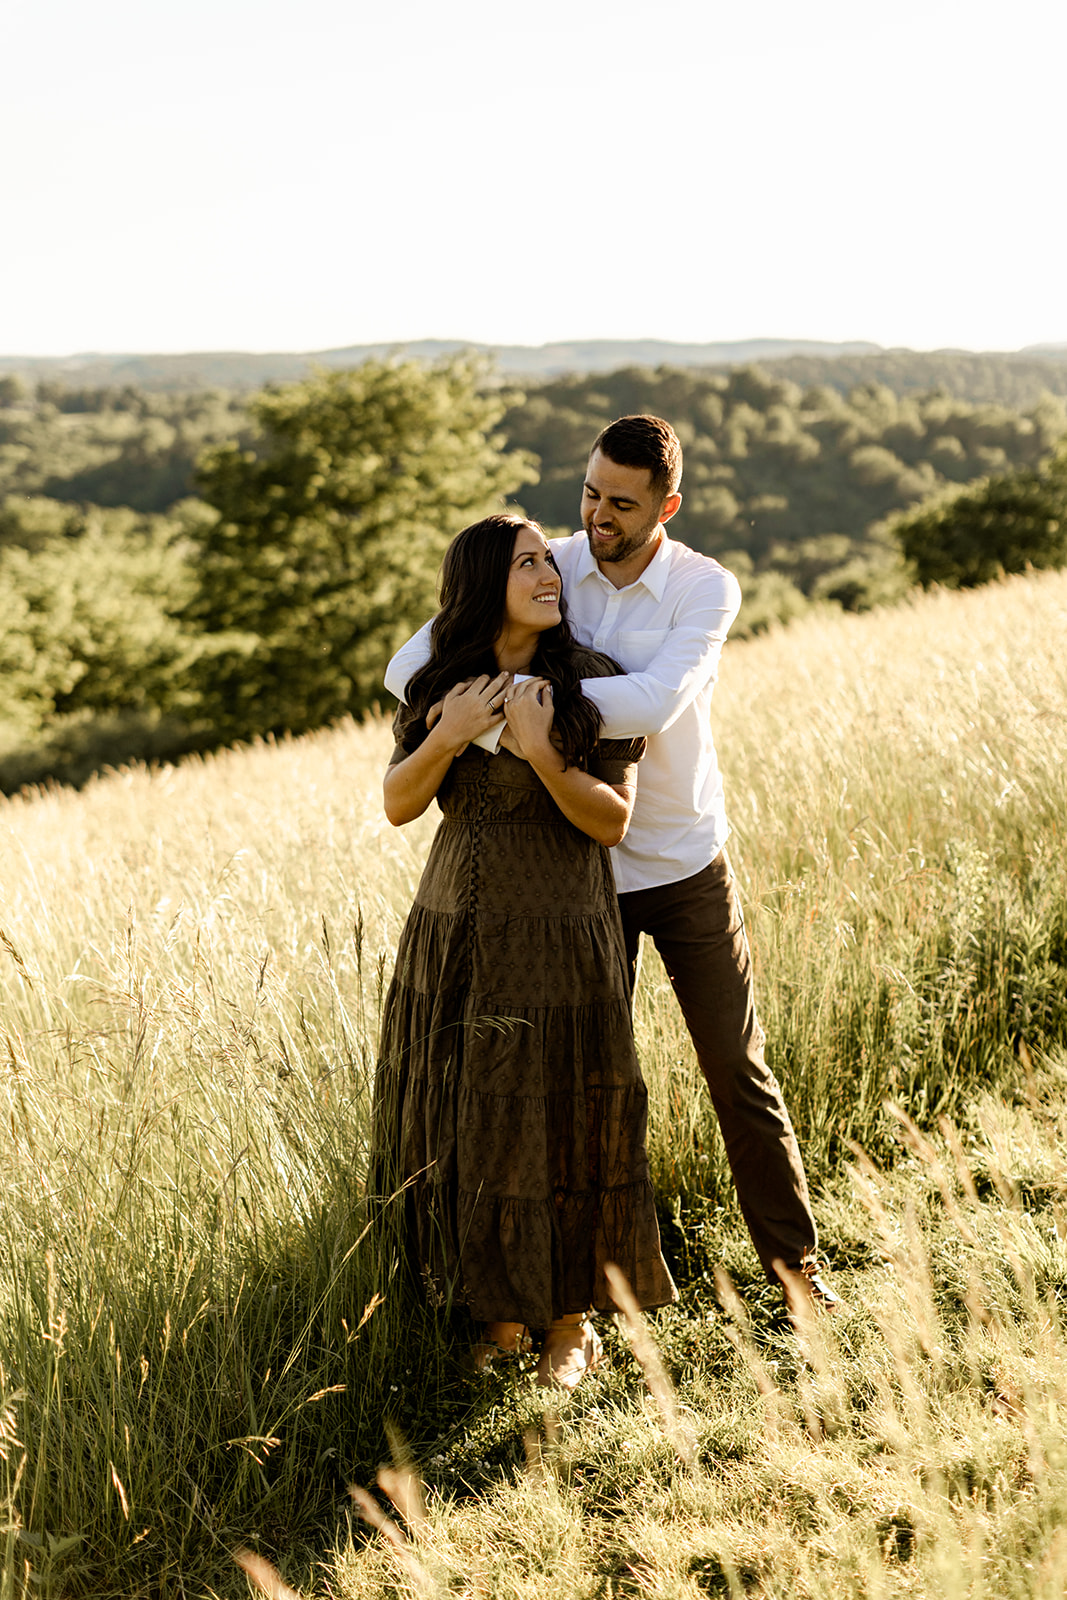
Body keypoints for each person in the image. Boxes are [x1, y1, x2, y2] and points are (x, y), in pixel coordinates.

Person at [386, 417, 839, 1311]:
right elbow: (410, 666)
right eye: (589, 493)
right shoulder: (545, 566)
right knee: (572, 1088)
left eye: (620, 504)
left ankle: (795, 1273)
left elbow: (660, 701)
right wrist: (474, 708)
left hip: (677, 860)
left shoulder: (703, 588)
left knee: (735, 1069)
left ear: (665, 507)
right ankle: (579, 1302)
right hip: (570, 884)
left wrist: (525, 703)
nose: (595, 516)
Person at [373, 513, 676, 1390]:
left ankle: (570, 1327)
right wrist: (447, 732)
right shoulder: (441, 682)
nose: (550, 575)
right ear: (479, 584)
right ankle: (496, 1315)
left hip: (557, 929)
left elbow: (609, 820)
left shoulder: (589, 682)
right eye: (527, 565)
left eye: (549, 560)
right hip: (451, 929)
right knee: (472, 1114)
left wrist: (541, 754)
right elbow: (397, 804)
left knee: (562, 1115)